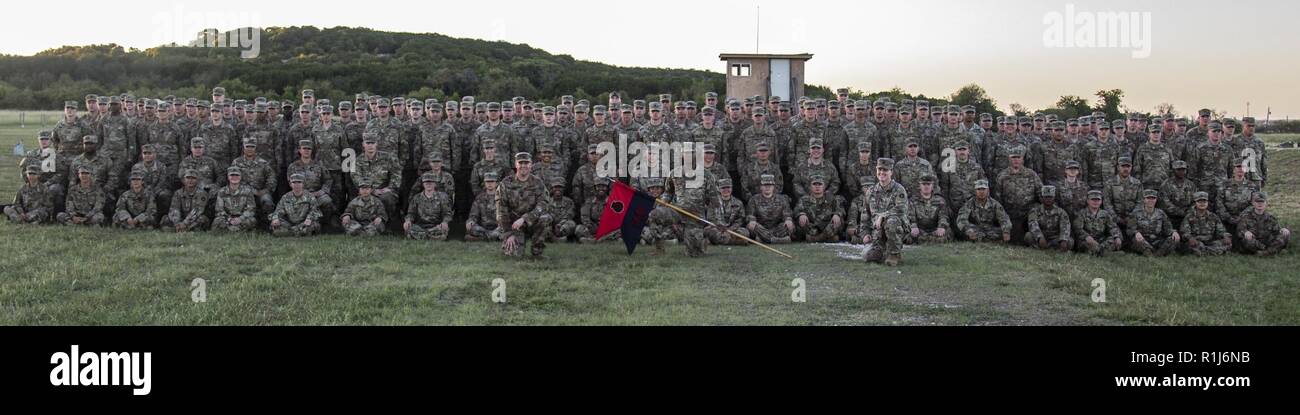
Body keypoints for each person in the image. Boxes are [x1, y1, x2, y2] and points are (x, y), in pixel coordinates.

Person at [496, 152, 553, 258]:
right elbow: (501, 212)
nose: (523, 165)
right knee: (515, 256)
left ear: (531, 164)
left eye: (526, 163)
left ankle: (537, 252)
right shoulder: (505, 184)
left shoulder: (538, 183)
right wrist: (509, 234)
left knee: (546, 218)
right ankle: (511, 244)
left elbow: (543, 204)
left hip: (531, 222)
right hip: (514, 226)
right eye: (520, 162)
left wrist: (525, 218)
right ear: (516, 164)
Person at [863, 158, 910, 266]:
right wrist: (865, 233)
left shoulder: (899, 189)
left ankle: (894, 254)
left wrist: (883, 216)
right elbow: (865, 214)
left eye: (885, 170)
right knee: (868, 257)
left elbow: (901, 209)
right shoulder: (871, 191)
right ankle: (884, 250)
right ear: (876, 170)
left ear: (891, 172)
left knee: (891, 221)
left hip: (896, 229)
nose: (882, 172)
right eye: (880, 169)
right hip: (878, 232)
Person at [1126, 189, 1180, 256]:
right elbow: (1129, 230)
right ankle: (1151, 252)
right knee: (1136, 240)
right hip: (1142, 240)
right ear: (1144, 200)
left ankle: (1158, 253)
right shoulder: (1136, 213)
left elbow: (1168, 229)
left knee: (1174, 238)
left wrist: (1173, 232)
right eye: (1148, 198)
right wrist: (1136, 233)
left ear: (1156, 200)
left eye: (1153, 198)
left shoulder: (1161, 213)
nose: (1151, 201)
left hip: (1157, 240)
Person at [1236, 192, 1291, 256]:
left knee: (1285, 234)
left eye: (1262, 202)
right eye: (1257, 202)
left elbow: (1277, 232)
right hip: (1255, 243)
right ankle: (1270, 251)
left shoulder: (1271, 217)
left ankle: (1264, 253)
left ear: (1266, 203)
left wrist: (1283, 230)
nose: (1260, 204)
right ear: (1253, 203)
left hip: (1267, 241)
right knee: (1247, 239)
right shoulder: (1246, 216)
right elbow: (1239, 231)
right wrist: (1245, 232)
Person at [403, 173, 453, 241]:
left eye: (431, 182)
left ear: (435, 184)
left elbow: (447, 214)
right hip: (420, 226)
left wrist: (445, 222)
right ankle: (430, 236)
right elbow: (411, 213)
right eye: (426, 182)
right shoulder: (417, 197)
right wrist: (408, 221)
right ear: (423, 184)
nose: (429, 184)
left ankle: (422, 236)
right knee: (409, 228)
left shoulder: (442, 197)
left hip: (436, 226)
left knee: (443, 230)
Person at [745, 174, 794, 244]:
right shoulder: (754, 199)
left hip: (776, 228)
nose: (767, 187)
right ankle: (776, 240)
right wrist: (752, 220)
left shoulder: (782, 199)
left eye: (770, 185)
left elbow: (787, 214)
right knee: (751, 226)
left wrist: (788, 220)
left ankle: (763, 239)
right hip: (761, 227)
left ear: (773, 187)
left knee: (789, 225)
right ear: (761, 187)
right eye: (765, 185)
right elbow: (750, 214)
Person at [795, 175, 845, 243]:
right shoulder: (804, 199)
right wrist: (801, 214)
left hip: (827, 226)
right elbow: (797, 210)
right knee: (800, 220)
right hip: (812, 227)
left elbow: (841, 209)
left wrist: (837, 214)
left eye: (820, 184)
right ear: (810, 186)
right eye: (814, 184)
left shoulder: (832, 198)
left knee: (838, 220)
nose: (817, 186)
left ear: (824, 187)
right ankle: (828, 238)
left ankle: (816, 238)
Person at [1074, 190, 1123, 256]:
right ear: (1088, 201)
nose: (1095, 202)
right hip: (1087, 240)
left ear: (1101, 201)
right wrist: (1086, 236)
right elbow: (1077, 229)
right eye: (1093, 200)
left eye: (1098, 200)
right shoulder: (1082, 213)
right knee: (1090, 246)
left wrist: (1117, 237)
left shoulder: (1105, 214)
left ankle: (1100, 252)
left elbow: (1113, 227)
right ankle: (1106, 253)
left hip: (1101, 240)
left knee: (1114, 240)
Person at [1024, 186, 1072, 251]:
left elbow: (1065, 226)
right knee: (1028, 236)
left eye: (1050, 197)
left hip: (1055, 238)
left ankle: (1048, 248)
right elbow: (1033, 225)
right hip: (1041, 236)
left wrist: (1063, 239)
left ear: (1054, 197)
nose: (1048, 199)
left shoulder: (1061, 212)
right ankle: (1044, 247)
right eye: (1046, 197)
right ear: (1042, 198)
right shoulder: (1035, 211)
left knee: (1069, 241)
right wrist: (1039, 237)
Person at [908, 175, 951, 244]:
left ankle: (923, 241)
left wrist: (941, 227)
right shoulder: (913, 200)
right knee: (908, 235)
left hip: (934, 229)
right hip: (919, 229)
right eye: (923, 184)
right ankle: (930, 240)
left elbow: (943, 216)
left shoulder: (940, 200)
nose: (926, 186)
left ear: (932, 186)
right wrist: (913, 226)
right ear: (920, 186)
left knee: (947, 233)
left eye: (928, 184)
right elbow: (910, 216)